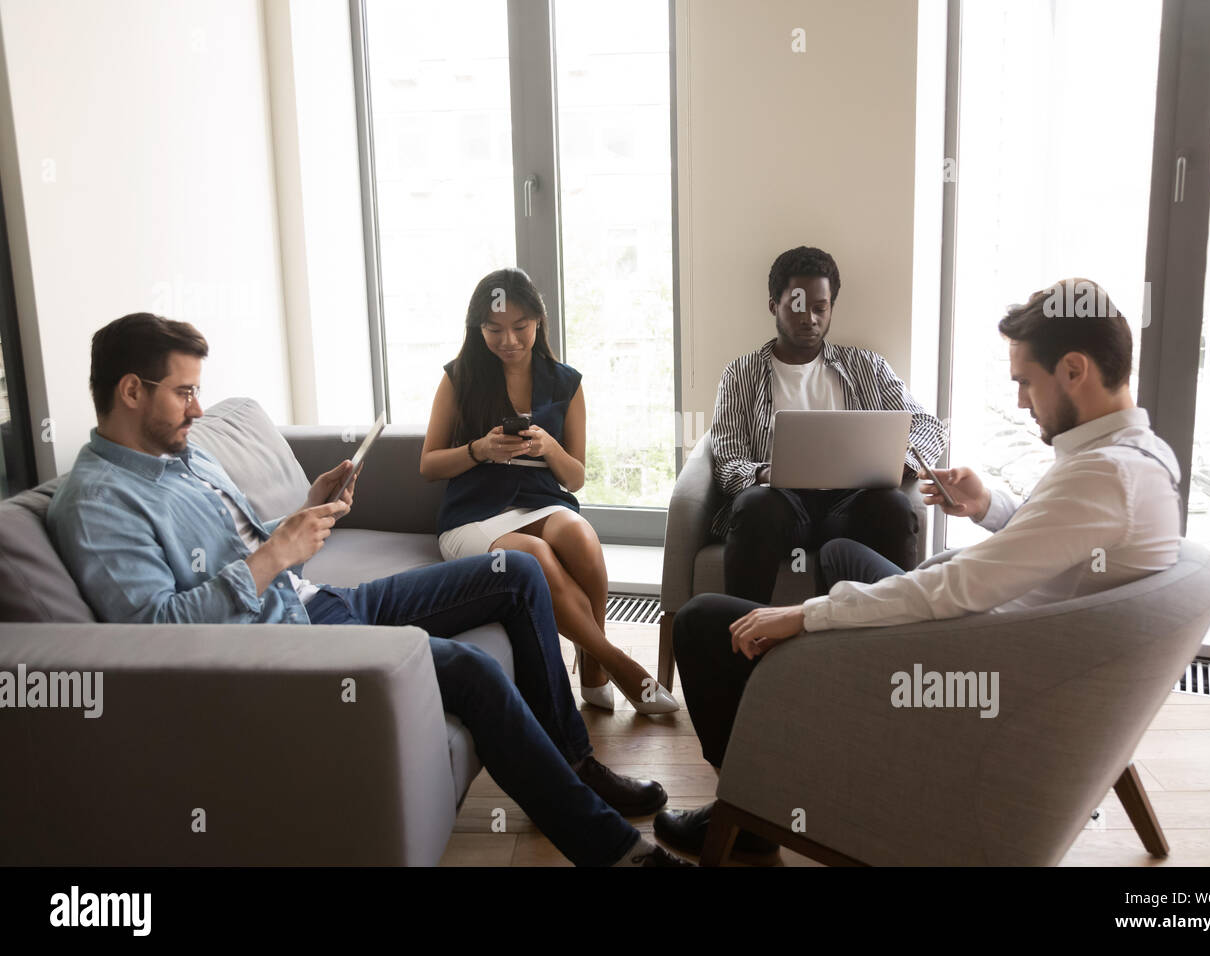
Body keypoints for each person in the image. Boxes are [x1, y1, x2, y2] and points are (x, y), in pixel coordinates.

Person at [47, 312, 690, 867]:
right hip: (286, 647)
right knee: (468, 670)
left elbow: (242, 548)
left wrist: (306, 511)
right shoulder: (99, 503)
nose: (197, 408)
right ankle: (612, 851)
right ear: (131, 390)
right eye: (184, 392)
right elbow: (158, 632)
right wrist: (276, 555)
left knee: (517, 573)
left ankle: (576, 765)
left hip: (320, 601)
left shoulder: (185, 453)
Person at [655, 278, 1183, 860]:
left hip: (957, 663)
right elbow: (1058, 542)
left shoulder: (1102, 476)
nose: (1022, 401)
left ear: (1075, 370)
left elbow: (955, 588)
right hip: (985, 636)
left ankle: (755, 807)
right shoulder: (1136, 461)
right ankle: (813, 708)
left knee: (703, 621)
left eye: (1026, 382)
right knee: (838, 556)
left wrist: (806, 616)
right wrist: (989, 506)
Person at [420, 268, 678, 715]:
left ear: (538, 322)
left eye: (520, 327)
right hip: (472, 518)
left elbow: (574, 478)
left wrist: (550, 447)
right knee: (534, 557)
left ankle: (593, 664)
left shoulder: (565, 382)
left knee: (579, 535)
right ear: (477, 328)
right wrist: (479, 450)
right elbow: (428, 465)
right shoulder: (459, 378)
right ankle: (615, 663)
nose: (509, 340)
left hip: (540, 503)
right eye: (494, 329)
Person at [709, 246, 948, 603]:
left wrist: (904, 464)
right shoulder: (740, 374)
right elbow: (727, 463)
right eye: (798, 306)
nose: (810, 319)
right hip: (781, 509)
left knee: (893, 507)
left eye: (820, 308)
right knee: (754, 507)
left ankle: (896, 637)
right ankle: (744, 637)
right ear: (774, 305)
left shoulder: (867, 367)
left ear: (831, 308)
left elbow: (930, 425)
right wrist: (764, 474)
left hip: (851, 507)